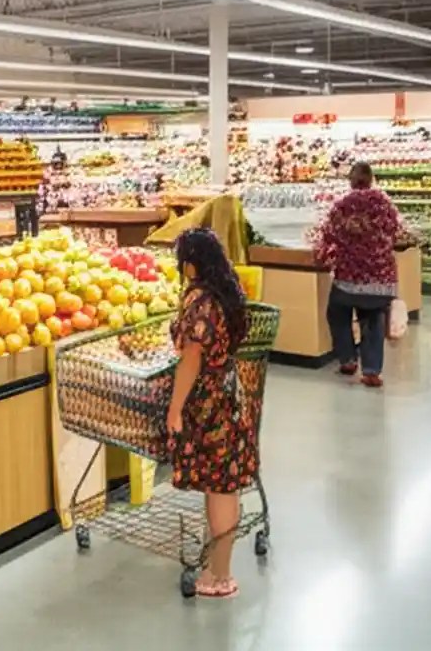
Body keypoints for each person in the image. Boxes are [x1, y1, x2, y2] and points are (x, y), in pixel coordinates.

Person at [165, 228, 249, 599]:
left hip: (209, 403)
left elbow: (191, 360)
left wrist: (175, 408)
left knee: (218, 488)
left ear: (190, 264)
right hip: (230, 395)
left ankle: (220, 577)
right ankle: (220, 566)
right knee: (226, 484)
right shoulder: (229, 292)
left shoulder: (199, 301)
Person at [314, 162, 405, 388]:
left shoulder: (342, 206)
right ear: (372, 179)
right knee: (373, 320)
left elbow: (327, 236)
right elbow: (398, 233)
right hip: (381, 277)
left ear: (351, 181)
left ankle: (347, 359)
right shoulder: (384, 204)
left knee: (337, 314)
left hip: (349, 277)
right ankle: (372, 370)